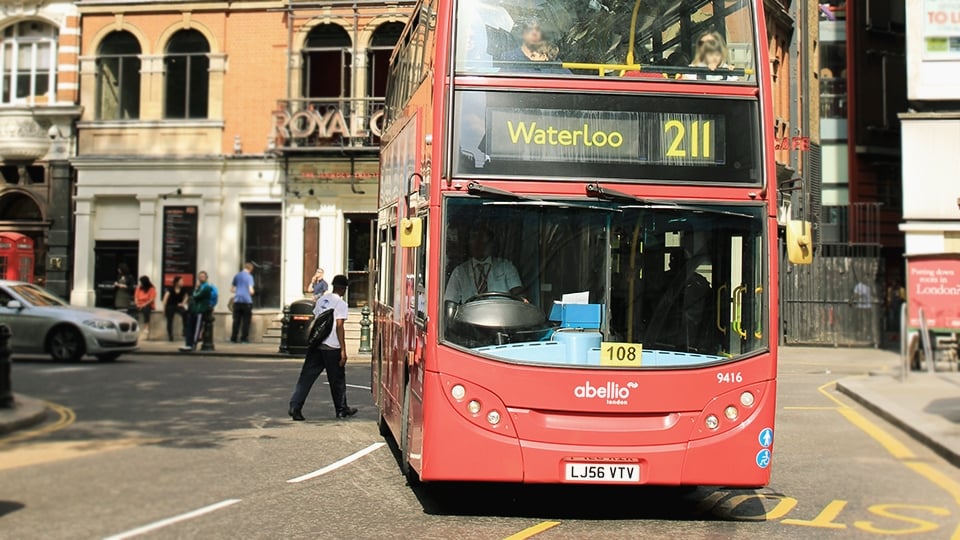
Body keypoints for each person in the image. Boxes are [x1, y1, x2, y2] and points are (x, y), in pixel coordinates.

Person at [288, 275, 358, 421]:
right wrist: (343, 350)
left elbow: (315, 320)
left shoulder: (321, 300)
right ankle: (341, 409)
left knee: (306, 378)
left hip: (317, 346)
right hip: (332, 347)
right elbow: (339, 326)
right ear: (344, 288)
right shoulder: (341, 304)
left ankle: (295, 406)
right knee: (337, 380)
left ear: (333, 285)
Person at [444, 228, 523, 303]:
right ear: (469, 245)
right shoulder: (459, 272)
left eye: (484, 243)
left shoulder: (506, 267)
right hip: (471, 316)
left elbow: (518, 294)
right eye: (476, 243)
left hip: (501, 316)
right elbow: (450, 302)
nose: (480, 247)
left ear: (492, 244)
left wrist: (521, 298)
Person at [500, 18, 570, 74]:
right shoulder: (509, 59)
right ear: (522, 34)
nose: (534, 33)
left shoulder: (551, 56)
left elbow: (570, 82)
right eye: (530, 30)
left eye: (538, 30)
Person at [181, 271, 214, 352]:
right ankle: (188, 344)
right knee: (190, 327)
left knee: (196, 328)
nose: (201, 278)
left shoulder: (206, 288)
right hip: (193, 310)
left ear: (206, 278)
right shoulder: (198, 287)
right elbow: (192, 296)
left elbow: (196, 296)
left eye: (203, 276)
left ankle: (193, 344)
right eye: (200, 276)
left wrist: (195, 290)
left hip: (200, 310)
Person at [230, 262, 256, 343]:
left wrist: (239, 291)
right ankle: (244, 338)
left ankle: (233, 338)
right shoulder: (249, 277)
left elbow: (232, 289)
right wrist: (253, 292)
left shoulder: (237, 275)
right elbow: (250, 290)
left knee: (236, 321)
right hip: (246, 301)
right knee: (246, 321)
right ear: (250, 269)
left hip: (237, 301)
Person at [161, 276, 188, 342]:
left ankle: (184, 331)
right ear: (177, 282)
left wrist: (183, 303)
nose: (182, 282)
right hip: (170, 305)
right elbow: (165, 299)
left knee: (185, 313)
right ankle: (170, 336)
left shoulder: (183, 289)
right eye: (181, 281)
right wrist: (164, 309)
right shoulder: (170, 289)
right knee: (170, 320)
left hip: (178, 305)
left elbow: (186, 297)